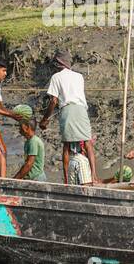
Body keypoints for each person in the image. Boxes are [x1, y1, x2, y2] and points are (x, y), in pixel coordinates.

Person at [39, 51, 97, 184]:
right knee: (87, 143)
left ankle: (66, 179)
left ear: (59, 64)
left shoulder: (56, 77)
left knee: (66, 146)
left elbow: (53, 101)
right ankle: (94, 176)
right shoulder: (79, 76)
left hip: (67, 110)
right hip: (82, 110)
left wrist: (45, 119)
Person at [13, 105, 47, 181]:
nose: (19, 128)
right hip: (32, 177)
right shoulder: (29, 141)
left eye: (20, 126)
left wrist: (16, 179)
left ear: (27, 127)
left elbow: (29, 164)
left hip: (36, 178)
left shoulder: (33, 141)